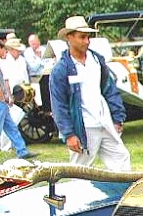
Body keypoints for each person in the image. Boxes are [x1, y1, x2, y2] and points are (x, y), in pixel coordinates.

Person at [49, 16, 130, 171]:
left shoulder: (97, 60)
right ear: (69, 37)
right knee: (80, 170)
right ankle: (79, 195)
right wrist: (69, 134)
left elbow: (109, 89)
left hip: (104, 122)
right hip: (83, 126)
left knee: (121, 158)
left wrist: (117, 117)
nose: (87, 41)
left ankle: (123, 193)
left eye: (88, 37)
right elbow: (58, 105)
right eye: (82, 37)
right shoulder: (61, 69)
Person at [0, 38, 36, 164]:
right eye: (4, 49)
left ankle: (22, 150)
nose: (5, 51)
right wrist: (3, 98)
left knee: (11, 127)